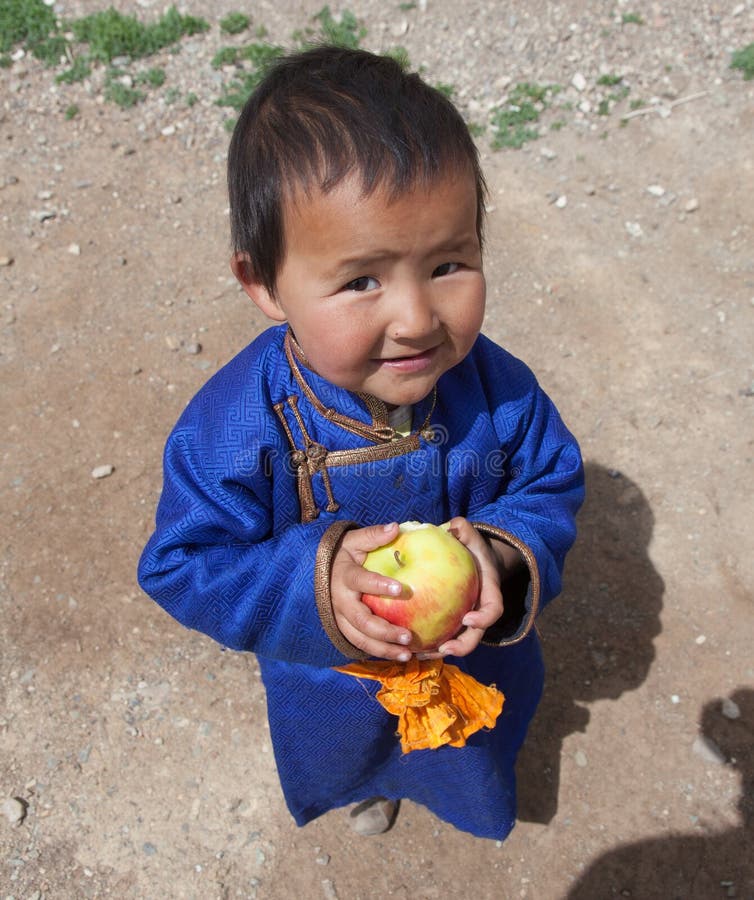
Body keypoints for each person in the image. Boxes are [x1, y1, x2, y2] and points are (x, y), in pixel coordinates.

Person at [138, 45, 584, 841]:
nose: (416, 319)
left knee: (467, 757)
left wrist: (502, 553)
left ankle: (456, 788)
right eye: (361, 281)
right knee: (354, 751)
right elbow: (183, 563)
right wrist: (315, 582)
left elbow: (549, 480)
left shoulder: (498, 388)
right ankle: (368, 788)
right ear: (264, 283)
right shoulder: (237, 427)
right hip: (334, 681)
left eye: (448, 264)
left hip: (471, 656)